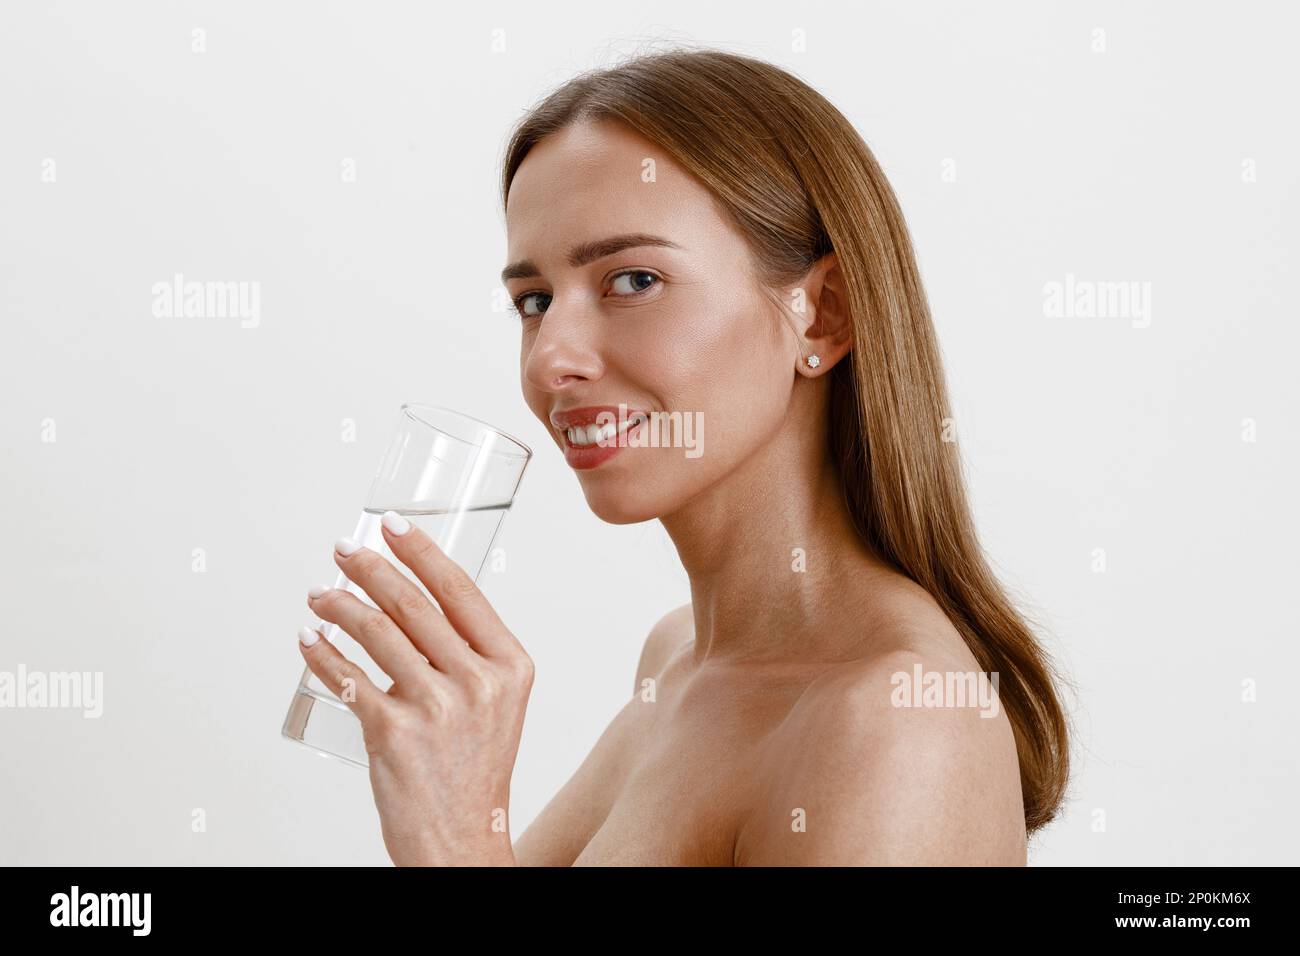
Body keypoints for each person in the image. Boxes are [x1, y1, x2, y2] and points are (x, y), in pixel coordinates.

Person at [299, 46, 1073, 866]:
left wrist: (456, 844)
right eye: (534, 300)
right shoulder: (679, 658)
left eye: (632, 281)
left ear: (823, 317)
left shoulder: (900, 720)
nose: (550, 359)